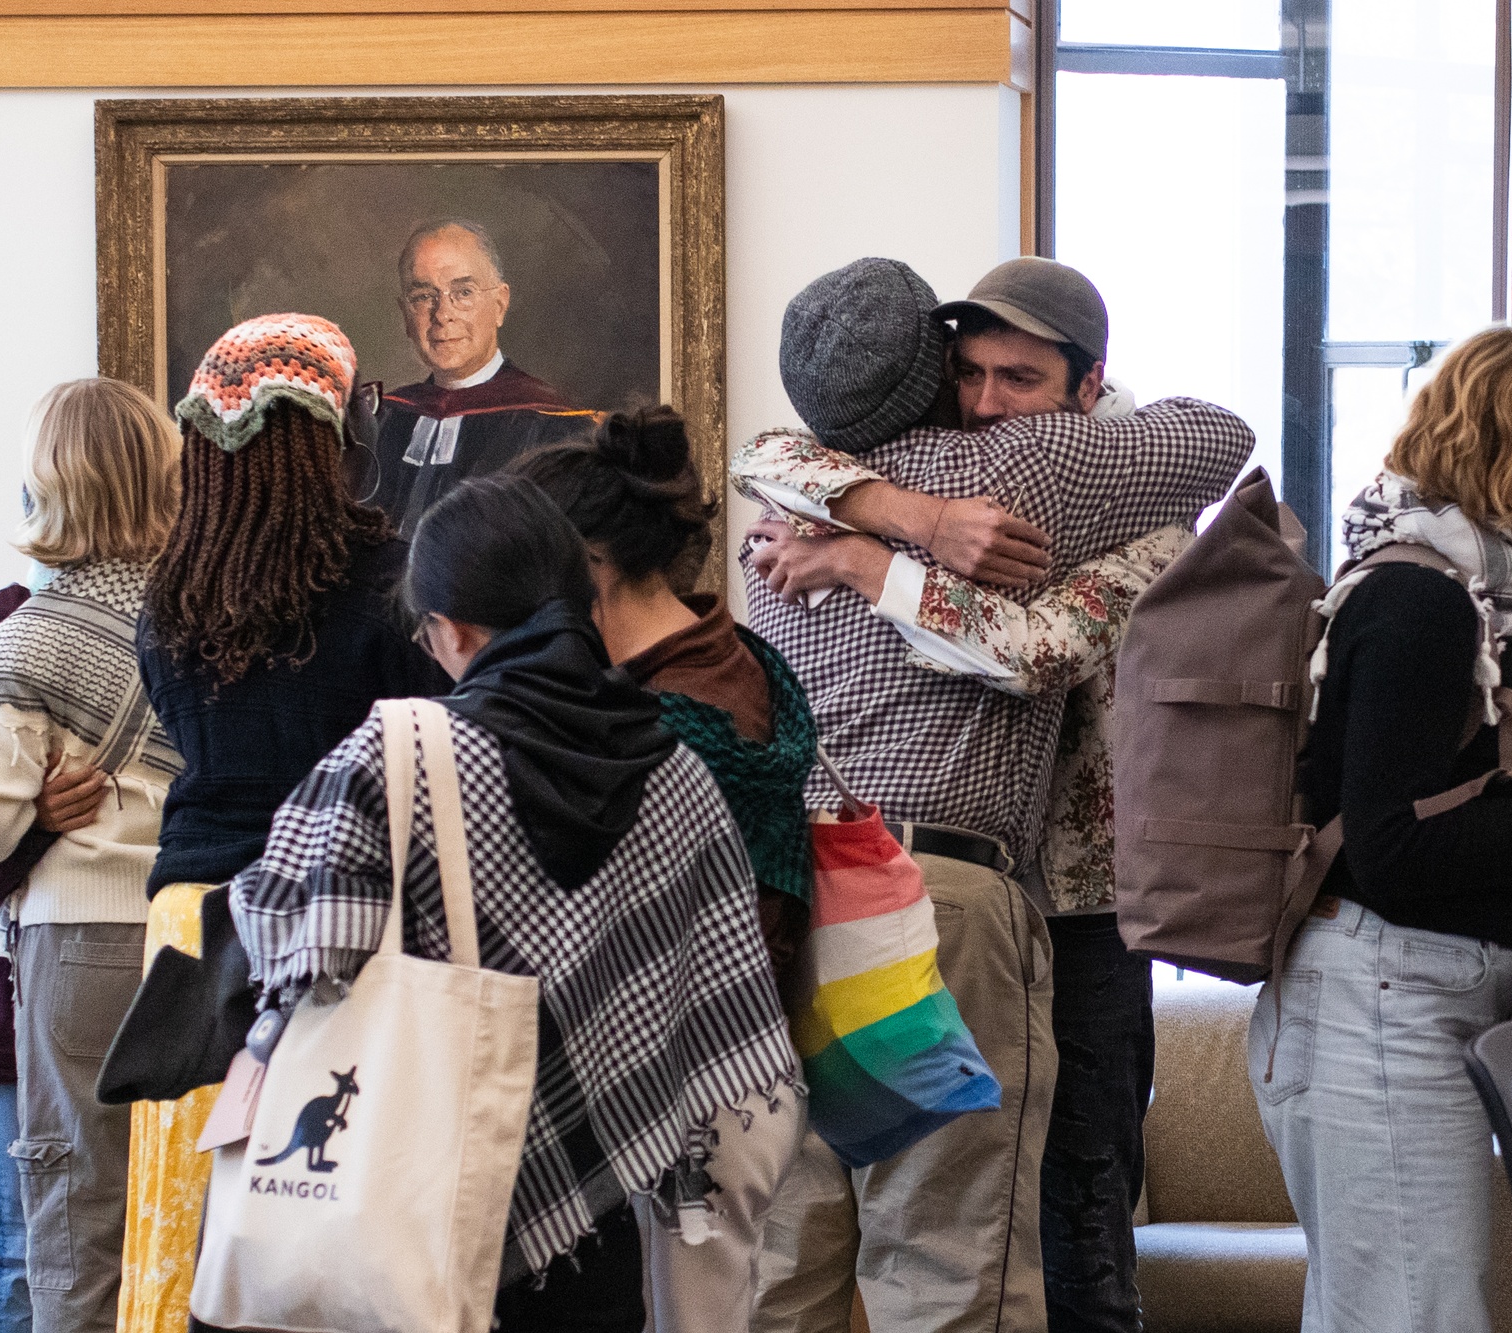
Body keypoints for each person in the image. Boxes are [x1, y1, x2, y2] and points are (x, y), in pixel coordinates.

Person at [736, 257, 1253, 1333]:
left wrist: (867, 557)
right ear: (930, 365)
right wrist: (904, 520)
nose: (981, 404)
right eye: (964, 373)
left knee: (801, 1251)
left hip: (962, 897)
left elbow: (1043, 640)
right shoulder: (970, 472)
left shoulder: (806, 493)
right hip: (950, 890)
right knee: (949, 1253)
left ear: (1085, 379)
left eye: (1013, 377)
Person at [228, 473, 799, 1333]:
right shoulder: (678, 769)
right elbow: (716, 995)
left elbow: (290, 942)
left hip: (413, 1208)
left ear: (450, 629)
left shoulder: (395, 755)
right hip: (599, 1220)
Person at [1254, 326, 1512, 1333]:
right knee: (1414, 1315)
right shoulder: (1417, 603)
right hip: (1378, 1000)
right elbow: (1389, 853)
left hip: (1404, 993)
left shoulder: (1459, 600)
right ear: (1499, 448)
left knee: (1396, 1310)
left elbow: (1423, 810)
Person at [124, 313, 451, 1333]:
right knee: (336, 1216)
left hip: (190, 924)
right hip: (339, 920)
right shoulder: (388, 581)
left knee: (190, 1226)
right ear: (335, 429)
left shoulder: (168, 596)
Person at [510, 406, 815, 1333]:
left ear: (588, 566)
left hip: (682, 1087)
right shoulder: (733, 660)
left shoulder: (656, 724)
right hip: (739, 1070)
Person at [0, 378, 185, 1333]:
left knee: (74, 1216)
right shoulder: (207, 623)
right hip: (199, 935)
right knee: (182, 1212)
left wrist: (25, 808)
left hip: (80, 946)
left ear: (48, 486)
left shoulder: (23, 640)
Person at [372, 218, 598, 533]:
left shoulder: (556, 427)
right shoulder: (383, 420)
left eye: (463, 292)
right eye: (424, 296)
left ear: (500, 304)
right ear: (405, 315)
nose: (442, 314)